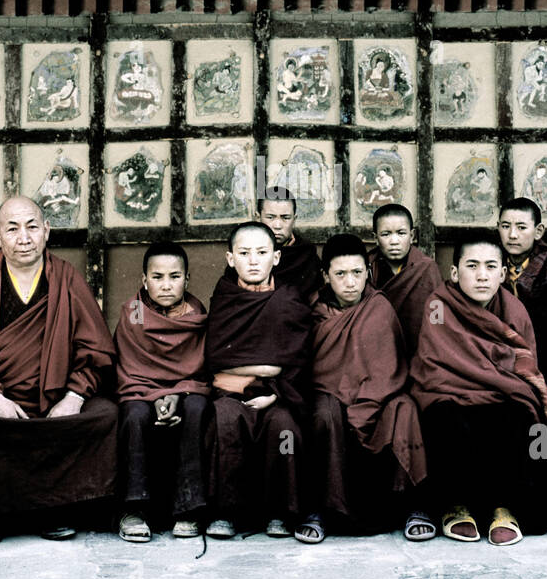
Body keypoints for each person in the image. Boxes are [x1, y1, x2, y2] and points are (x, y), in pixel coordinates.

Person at [0, 196, 118, 546]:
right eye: (12, 228)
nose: (24, 237)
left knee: (106, 415)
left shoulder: (67, 277)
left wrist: (74, 396)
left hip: (54, 405)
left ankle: (54, 509)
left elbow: (95, 347)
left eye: (32, 226)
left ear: (46, 231)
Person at [410, 232, 547, 546]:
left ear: (503, 274)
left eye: (491, 267)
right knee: (446, 417)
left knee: (516, 416)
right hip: (449, 392)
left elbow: (525, 368)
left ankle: (503, 507)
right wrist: (485, 377)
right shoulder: (438, 306)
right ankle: (456, 505)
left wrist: (497, 382)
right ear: (454, 272)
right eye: (472, 266)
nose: (481, 275)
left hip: (501, 393)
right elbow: (433, 366)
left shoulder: (514, 309)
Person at [296, 234, 431, 544]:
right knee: (324, 412)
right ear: (325, 276)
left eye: (357, 273)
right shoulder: (313, 311)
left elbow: (391, 370)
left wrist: (363, 405)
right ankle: (320, 510)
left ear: (368, 273)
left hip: (375, 399)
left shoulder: (379, 307)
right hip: (329, 396)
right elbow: (306, 369)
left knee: (405, 408)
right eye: (340, 274)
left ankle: (413, 507)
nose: (350, 282)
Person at [204, 221, 313, 539]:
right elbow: (216, 357)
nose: (253, 260)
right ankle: (226, 513)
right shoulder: (225, 296)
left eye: (262, 252)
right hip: (228, 394)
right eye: (244, 253)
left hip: (276, 395)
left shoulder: (289, 300)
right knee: (226, 422)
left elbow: (299, 359)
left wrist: (275, 390)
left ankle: (280, 513)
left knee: (285, 430)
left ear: (276, 258)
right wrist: (267, 369)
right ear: (230, 258)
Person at [114, 241, 211, 542]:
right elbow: (129, 368)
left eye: (174, 276)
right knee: (134, 413)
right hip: (141, 391)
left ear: (187, 279)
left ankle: (187, 510)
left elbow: (201, 369)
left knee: (196, 408)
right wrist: (156, 396)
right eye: (157, 277)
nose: (166, 285)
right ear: (144, 280)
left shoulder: (197, 315)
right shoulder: (133, 314)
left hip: (187, 389)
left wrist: (175, 395)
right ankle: (135, 510)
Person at [497, 197, 547, 384]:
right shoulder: (492, 263)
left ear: (538, 231)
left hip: (542, 357)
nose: (512, 235)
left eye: (521, 228)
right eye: (505, 226)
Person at [367, 203, 439, 360]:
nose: (394, 241)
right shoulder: (367, 267)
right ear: (375, 238)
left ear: (412, 236)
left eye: (401, 233)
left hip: (418, 350)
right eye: (386, 234)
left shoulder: (426, 268)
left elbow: (437, 316)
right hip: (377, 350)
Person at [231, 185, 323, 301]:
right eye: (270, 217)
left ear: (294, 219)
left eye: (285, 218)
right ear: (258, 217)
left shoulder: (306, 255)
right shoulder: (243, 253)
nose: (277, 225)